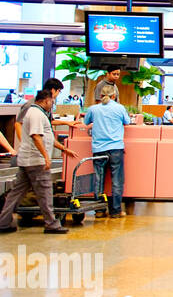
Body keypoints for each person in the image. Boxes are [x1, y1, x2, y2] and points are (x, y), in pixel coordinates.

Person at [0, 89, 73, 234]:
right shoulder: (36, 114)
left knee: (16, 193)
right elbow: (36, 136)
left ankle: (3, 222)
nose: (52, 104)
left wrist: (63, 149)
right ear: (46, 100)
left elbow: (47, 137)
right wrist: (46, 156)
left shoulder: (36, 113)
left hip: (28, 160)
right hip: (35, 161)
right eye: (52, 101)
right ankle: (51, 224)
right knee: (45, 192)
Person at [82, 84, 132, 218]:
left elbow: (86, 122)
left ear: (100, 95)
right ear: (114, 96)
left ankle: (99, 210)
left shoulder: (93, 109)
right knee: (117, 181)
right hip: (116, 148)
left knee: (99, 179)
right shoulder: (120, 108)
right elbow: (127, 122)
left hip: (99, 149)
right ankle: (116, 211)